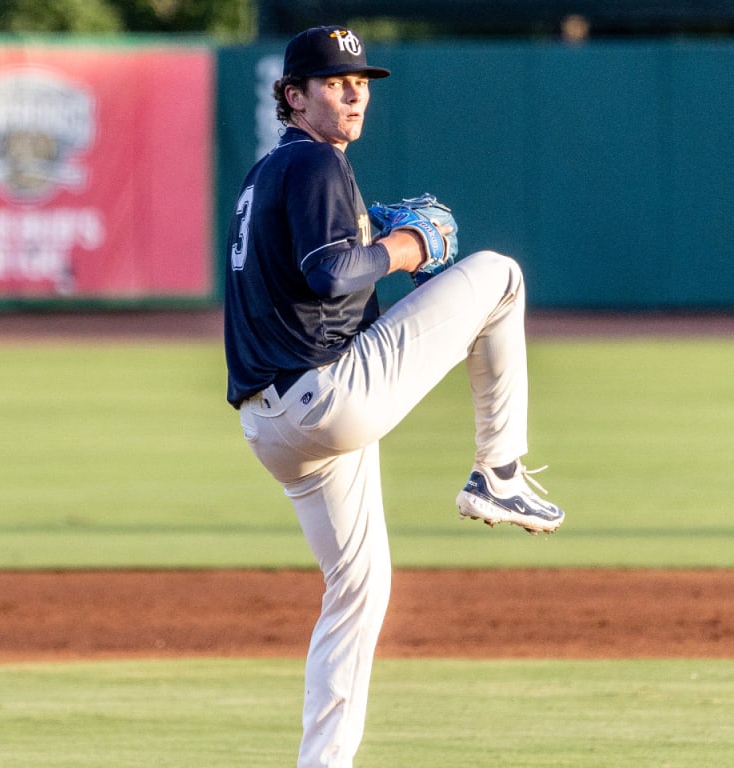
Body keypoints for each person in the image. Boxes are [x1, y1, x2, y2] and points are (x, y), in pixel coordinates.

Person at [222, 25, 566, 768]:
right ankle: (499, 470)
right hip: (325, 399)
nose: (353, 93)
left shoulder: (265, 177)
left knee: (360, 587)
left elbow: (328, 287)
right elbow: (330, 275)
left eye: (361, 81)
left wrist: (380, 232)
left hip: (272, 428)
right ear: (292, 97)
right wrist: (415, 247)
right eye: (333, 82)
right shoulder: (315, 163)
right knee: (500, 275)